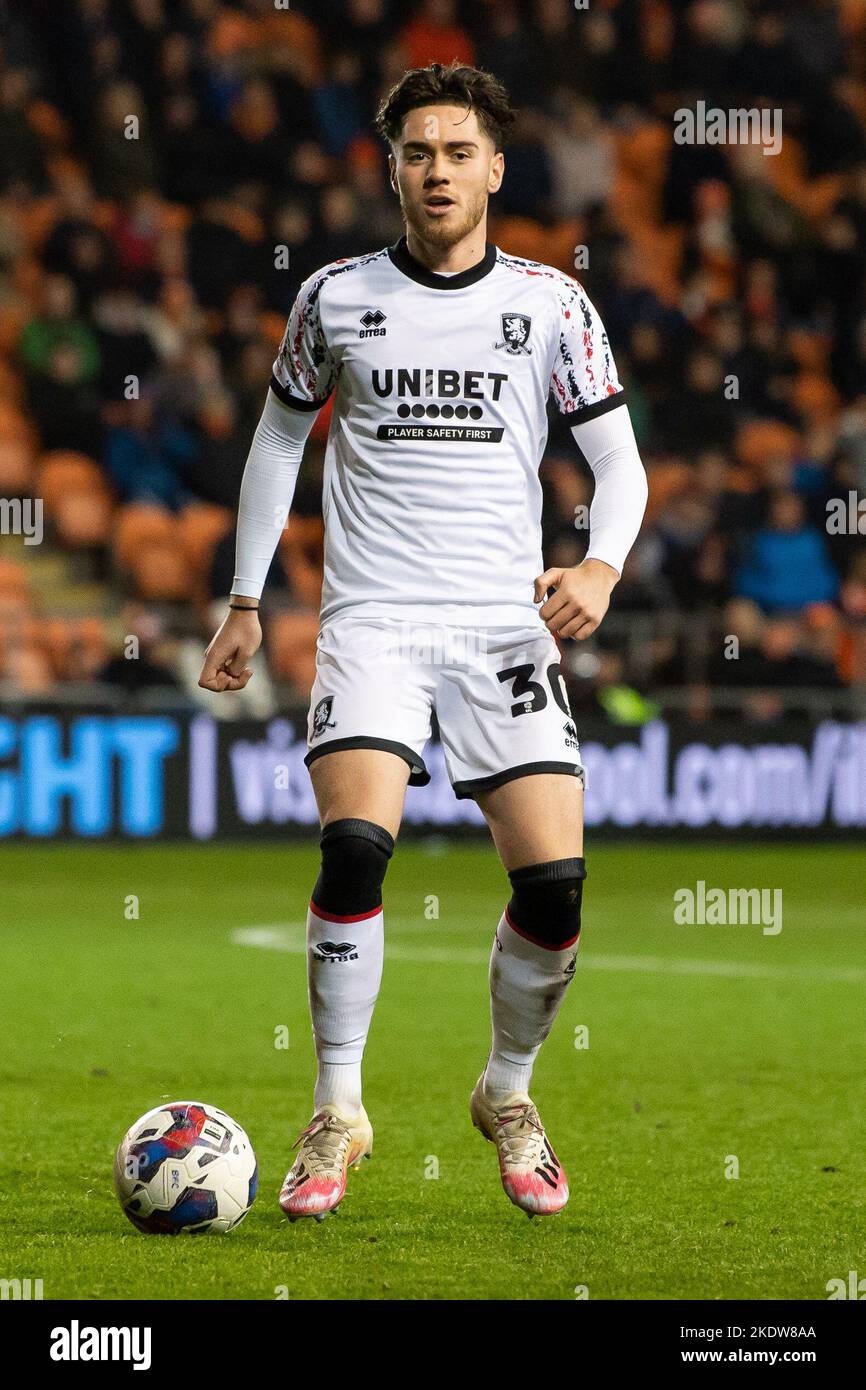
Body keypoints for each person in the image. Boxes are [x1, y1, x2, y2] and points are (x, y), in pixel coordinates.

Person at [198, 63, 647, 1221]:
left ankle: (505, 1091)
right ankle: (337, 1106)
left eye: (458, 152)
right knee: (354, 849)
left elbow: (617, 465)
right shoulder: (335, 297)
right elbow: (275, 445)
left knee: (553, 886)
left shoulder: (551, 304)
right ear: (388, 166)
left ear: (495, 169)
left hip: (502, 620)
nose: (437, 171)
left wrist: (598, 564)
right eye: (416, 152)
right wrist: (246, 598)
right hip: (373, 620)